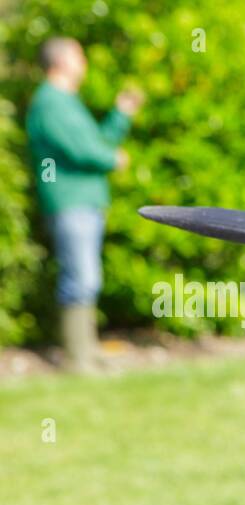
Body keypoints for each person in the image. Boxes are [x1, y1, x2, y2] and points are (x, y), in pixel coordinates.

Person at [24, 36, 143, 373]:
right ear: (60, 61)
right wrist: (112, 159)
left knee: (88, 277)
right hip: (69, 202)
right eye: (79, 56)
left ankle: (88, 351)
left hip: (85, 201)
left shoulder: (67, 102)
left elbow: (95, 141)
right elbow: (84, 151)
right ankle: (78, 359)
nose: (84, 63)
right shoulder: (50, 103)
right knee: (79, 277)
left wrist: (121, 115)